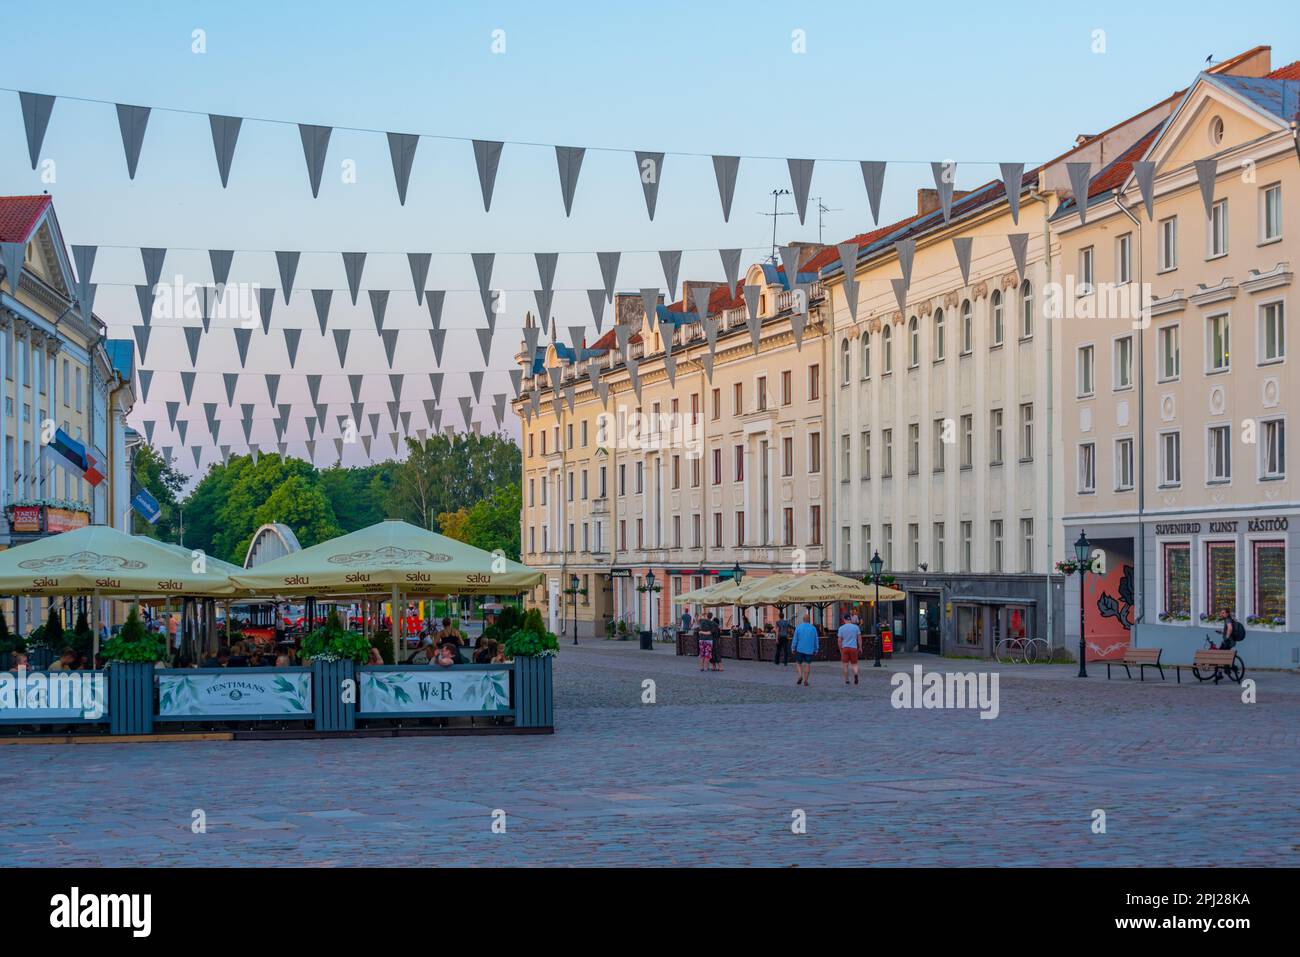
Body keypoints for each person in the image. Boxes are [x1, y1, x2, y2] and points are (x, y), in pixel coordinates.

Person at [792, 614, 820, 687]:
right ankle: (806, 680)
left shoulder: (798, 627)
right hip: (809, 649)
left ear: (803, 619)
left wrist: (793, 648)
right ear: (809, 620)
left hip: (800, 649)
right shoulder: (813, 628)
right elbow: (816, 639)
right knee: (807, 664)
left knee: (798, 663)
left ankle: (800, 675)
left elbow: (795, 639)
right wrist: (816, 649)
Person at [837, 615, 862, 685]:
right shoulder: (856, 627)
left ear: (844, 620)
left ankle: (847, 680)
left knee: (845, 665)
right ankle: (856, 674)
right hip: (853, 648)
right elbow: (859, 638)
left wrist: (840, 649)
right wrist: (860, 647)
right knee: (854, 664)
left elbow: (839, 640)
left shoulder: (841, 628)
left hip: (845, 648)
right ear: (850, 619)